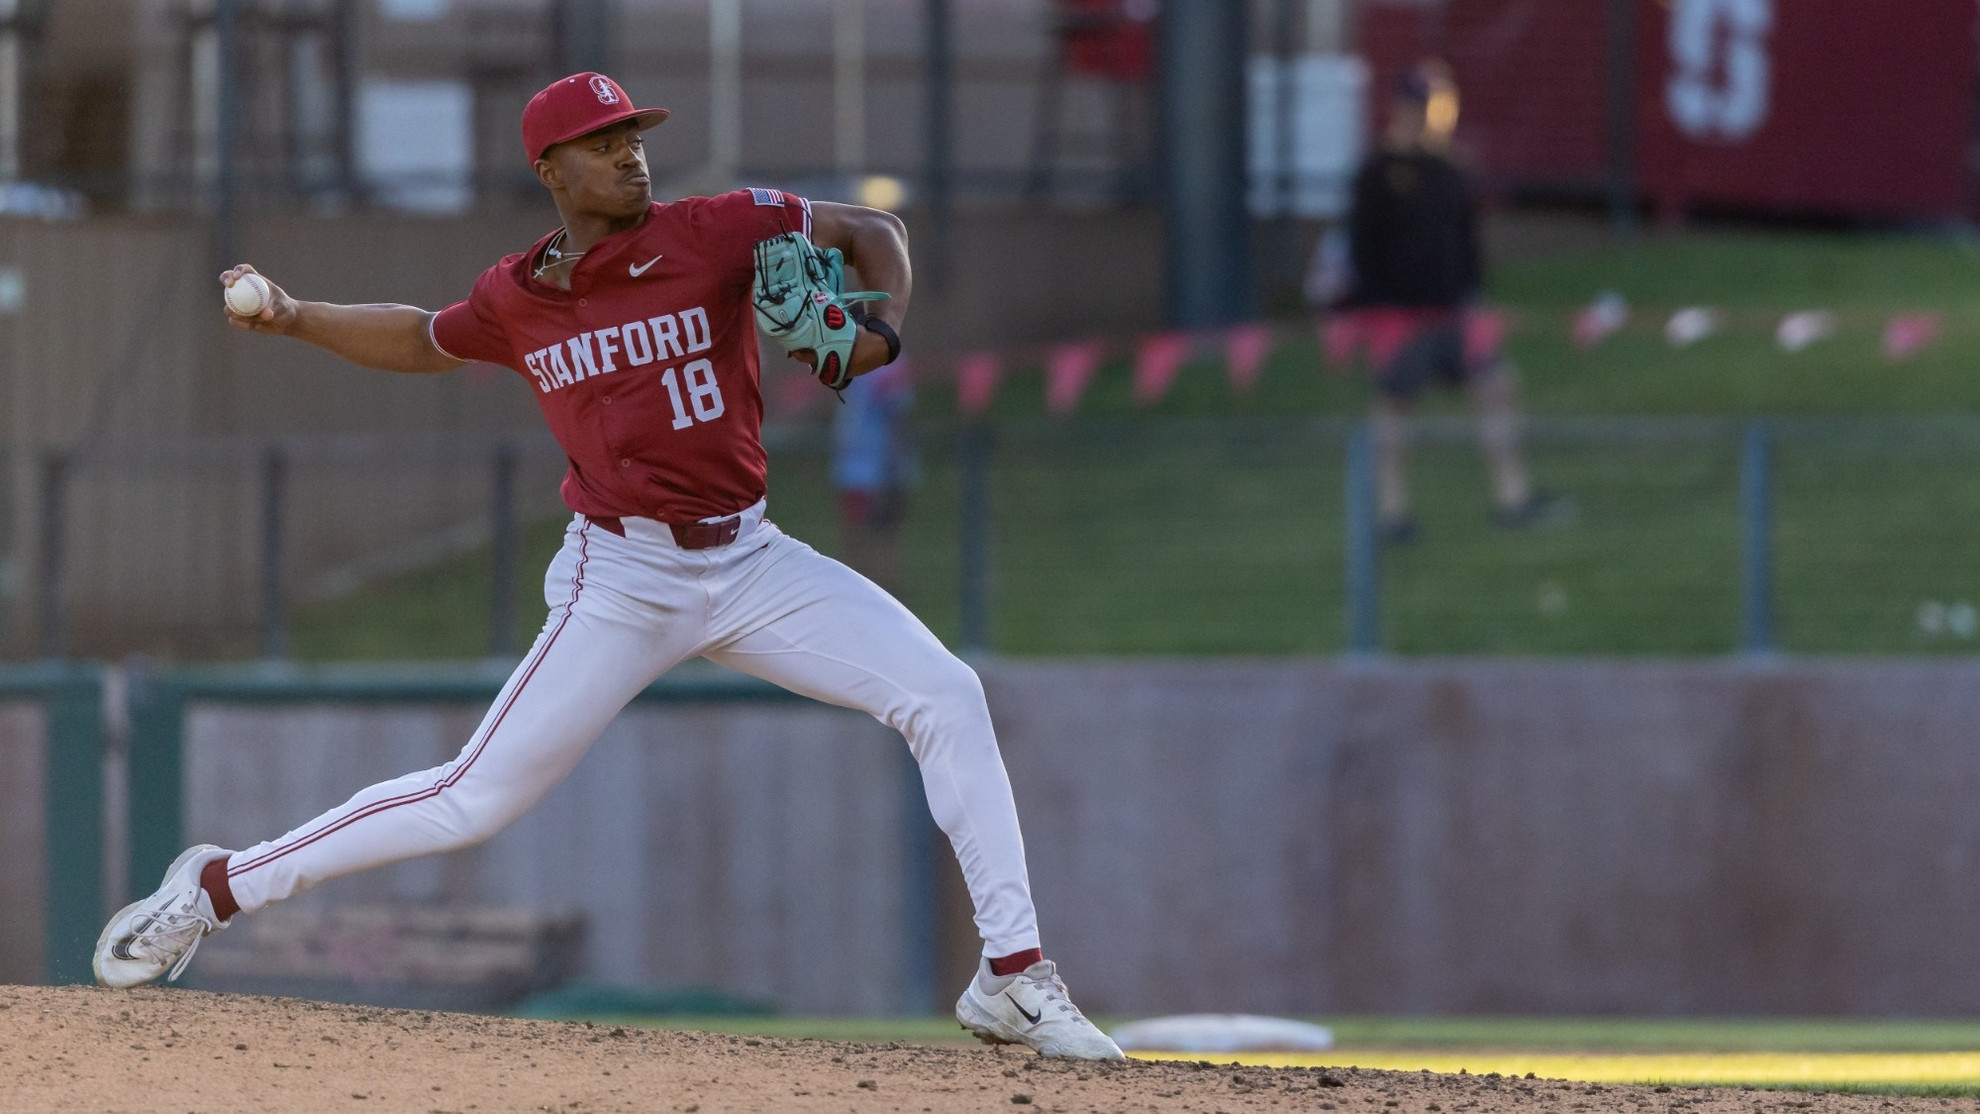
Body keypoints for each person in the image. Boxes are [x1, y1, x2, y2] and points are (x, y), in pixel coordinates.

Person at [92, 72, 1123, 1062]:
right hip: (622, 579)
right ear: (552, 168)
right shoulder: (515, 296)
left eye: (636, 136)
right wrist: (294, 315)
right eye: (606, 142)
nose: (633, 156)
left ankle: (1013, 975)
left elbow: (873, 231)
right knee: (472, 799)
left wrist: (880, 333)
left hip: (754, 558)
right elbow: (422, 336)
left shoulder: (717, 228)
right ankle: (216, 887)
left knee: (947, 692)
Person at [1329, 60, 1562, 543]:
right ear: (1402, 110)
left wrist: (1474, 297)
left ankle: (1512, 497)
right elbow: (1360, 249)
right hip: (1399, 318)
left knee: (1496, 388)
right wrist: (1368, 309)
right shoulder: (1376, 174)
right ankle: (1391, 512)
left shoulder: (1451, 172)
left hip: (1457, 312)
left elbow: (1466, 245)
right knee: (1396, 408)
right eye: (1424, 107)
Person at [831, 358, 915, 594]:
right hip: (853, 468)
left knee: (881, 538)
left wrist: (894, 468)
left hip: (877, 469)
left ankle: (881, 595)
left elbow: (897, 414)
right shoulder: (845, 352)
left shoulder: (888, 362)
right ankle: (860, 594)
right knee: (859, 537)